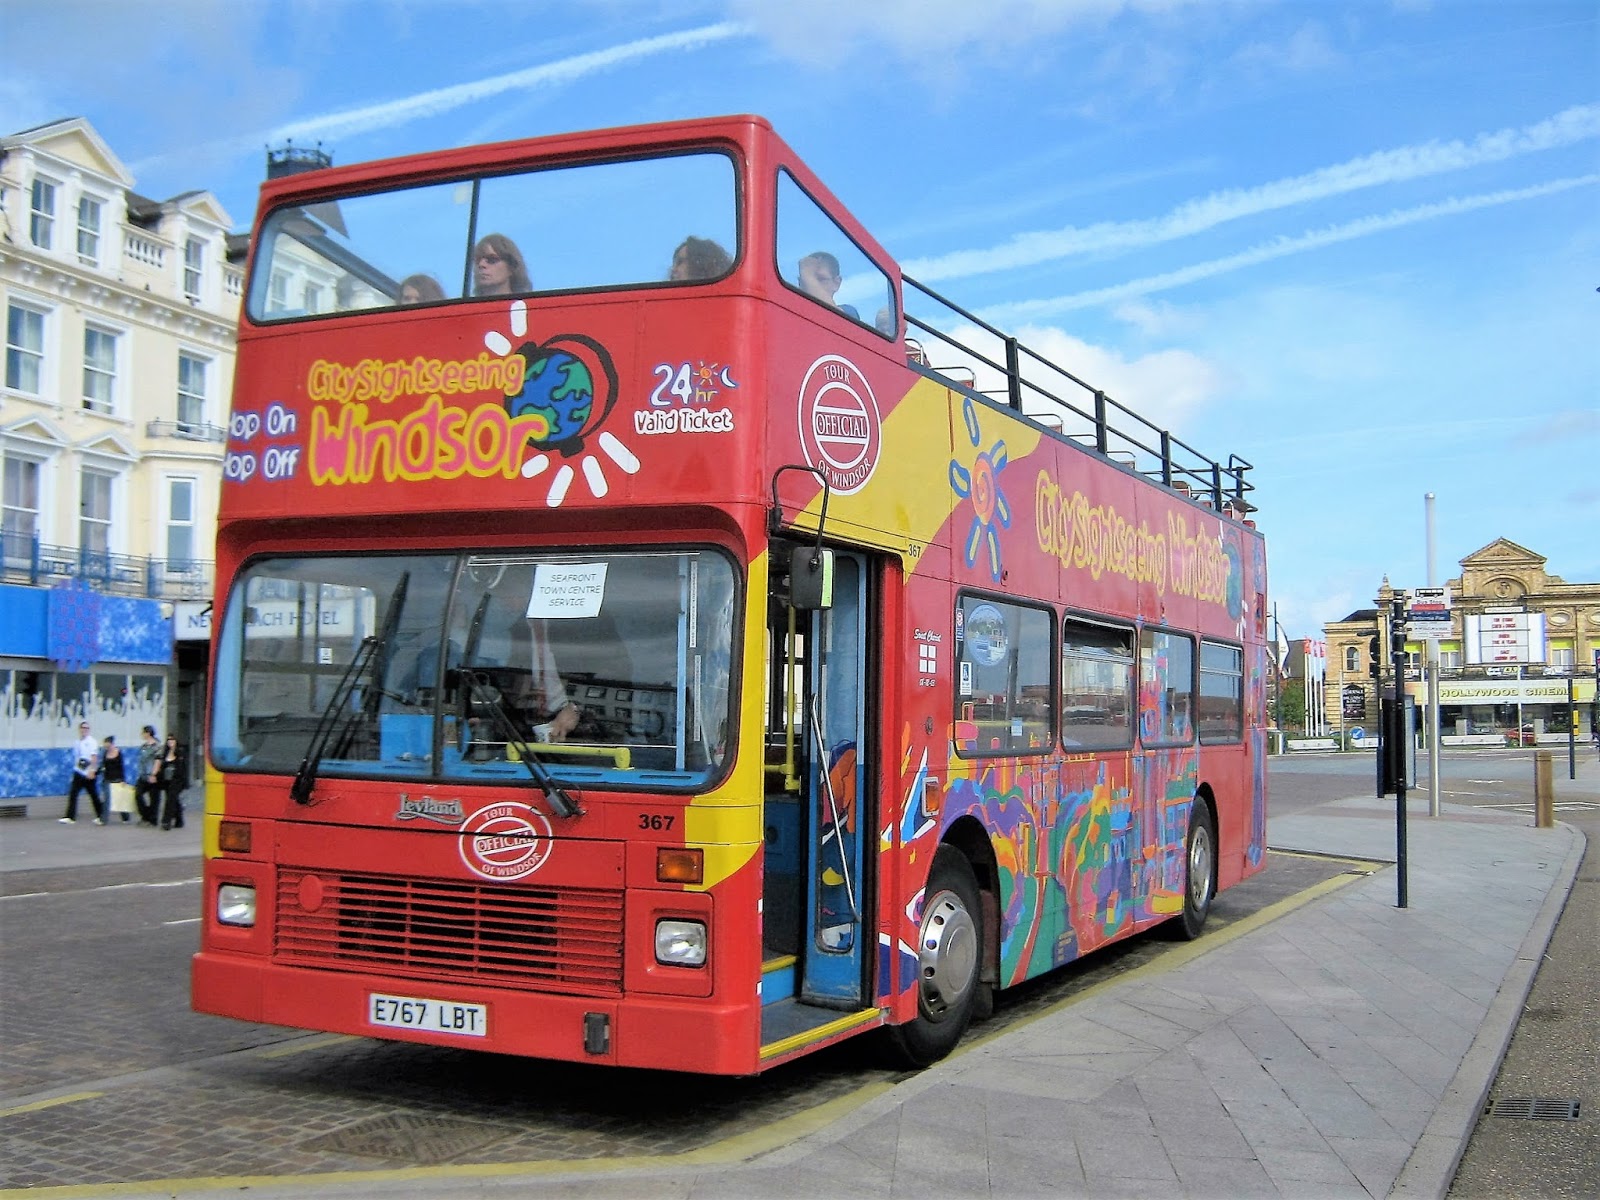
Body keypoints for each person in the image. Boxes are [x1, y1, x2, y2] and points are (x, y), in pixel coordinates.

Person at [61, 720, 105, 825]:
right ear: (79, 729)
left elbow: (94, 757)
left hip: (88, 772)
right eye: (83, 728)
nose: (84, 730)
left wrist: (92, 770)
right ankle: (70, 816)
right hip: (79, 771)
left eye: (86, 728)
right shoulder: (77, 742)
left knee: (93, 794)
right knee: (73, 793)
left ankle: (101, 815)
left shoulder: (92, 742)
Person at [798, 251, 859, 319]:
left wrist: (809, 276)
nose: (811, 285)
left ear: (836, 283)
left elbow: (838, 318)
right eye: (805, 281)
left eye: (821, 279)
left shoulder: (849, 311)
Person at [157, 734, 187, 831]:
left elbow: (182, 768)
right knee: (174, 800)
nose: (170, 742)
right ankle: (179, 820)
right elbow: (162, 766)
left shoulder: (180, 753)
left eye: (172, 740)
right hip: (167, 780)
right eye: (169, 740)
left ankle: (166, 821)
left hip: (177, 780)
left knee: (170, 800)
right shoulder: (165, 753)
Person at [134, 724, 162, 826]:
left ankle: (153, 819)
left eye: (143, 732)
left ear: (148, 733)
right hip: (143, 775)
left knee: (154, 798)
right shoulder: (144, 746)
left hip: (153, 774)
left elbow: (158, 760)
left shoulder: (157, 746)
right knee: (138, 795)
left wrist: (153, 774)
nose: (142, 734)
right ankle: (145, 815)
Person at [100, 735, 133, 823]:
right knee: (107, 799)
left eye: (108, 746)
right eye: (105, 746)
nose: (107, 748)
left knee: (120, 799)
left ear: (112, 744)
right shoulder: (105, 753)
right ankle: (104, 820)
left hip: (117, 778)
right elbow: (103, 766)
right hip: (107, 778)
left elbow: (121, 767)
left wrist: (123, 779)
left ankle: (126, 818)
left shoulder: (119, 753)